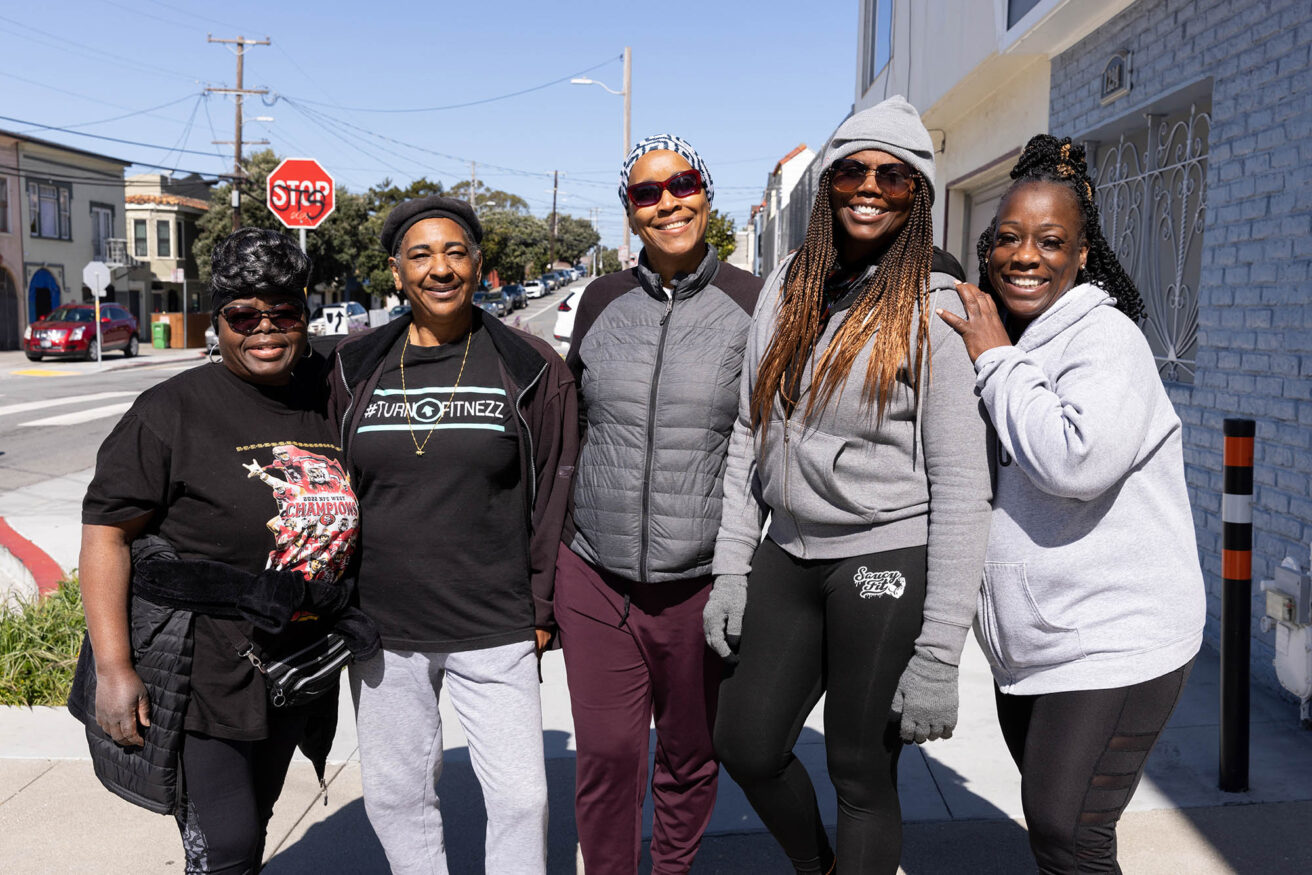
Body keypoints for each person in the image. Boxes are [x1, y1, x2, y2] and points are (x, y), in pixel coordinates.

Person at [705, 95, 993, 874]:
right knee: (747, 742)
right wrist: (734, 562)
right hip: (788, 552)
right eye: (855, 170)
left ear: (919, 194)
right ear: (829, 183)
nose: (871, 187)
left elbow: (966, 489)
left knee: (860, 770)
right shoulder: (788, 286)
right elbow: (748, 430)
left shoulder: (934, 310)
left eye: (895, 176)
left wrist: (939, 653)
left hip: (885, 558)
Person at [938, 134, 1205, 873]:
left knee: (1068, 830)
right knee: (1061, 827)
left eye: (1051, 241)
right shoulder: (1006, 334)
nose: (1027, 255)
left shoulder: (1106, 339)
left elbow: (1073, 458)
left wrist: (995, 360)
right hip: (1036, 641)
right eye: (1010, 238)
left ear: (1083, 254)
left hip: (1116, 634)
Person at [74, 227, 367, 874]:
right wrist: (116, 667)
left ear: (305, 313)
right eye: (243, 314)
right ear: (219, 318)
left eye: (283, 311)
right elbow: (107, 534)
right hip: (202, 668)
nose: (265, 327)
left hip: (298, 666)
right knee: (225, 849)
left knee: (250, 830)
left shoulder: (333, 395)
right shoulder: (171, 410)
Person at [329, 196, 578, 875]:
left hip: (496, 624)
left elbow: (556, 486)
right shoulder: (355, 367)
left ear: (478, 265)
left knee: (523, 799)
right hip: (384, 629)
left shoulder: (527, 366)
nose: (440, 268)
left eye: (455, 252)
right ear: (396, 272)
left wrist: (542, 607)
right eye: (421, 255)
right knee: (397, 796)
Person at [556, 134, 763, 874]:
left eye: (681, 184)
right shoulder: (601, 300)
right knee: (608, 754)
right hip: (594, 572)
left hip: (700, 576)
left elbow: (769, 437)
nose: (668, 201)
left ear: (706, 189)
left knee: (688, 753)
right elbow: (565, 424)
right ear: (630, 212)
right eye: (647, 192)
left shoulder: (754, 301)